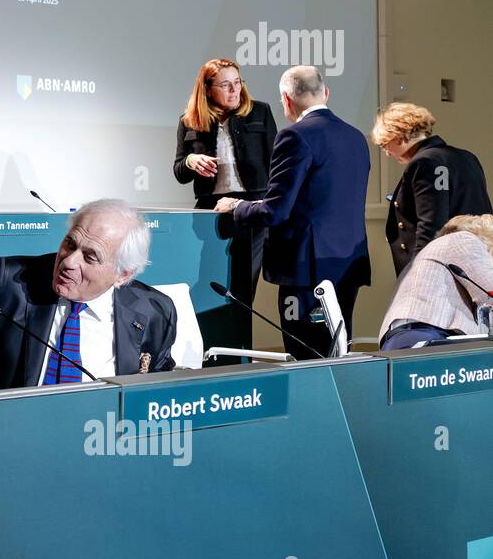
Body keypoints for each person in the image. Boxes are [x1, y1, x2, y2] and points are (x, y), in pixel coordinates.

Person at [0, 199, 176, 393]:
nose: (69, 261)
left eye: (90, 257)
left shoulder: (155, 311)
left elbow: (155, 384)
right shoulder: (11, 281)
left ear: (122, 274)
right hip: (8, 431)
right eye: (70, 243)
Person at [216, 66, 371, 359]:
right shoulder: (356, 137)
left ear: (286, 100)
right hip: (347, 264)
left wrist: (237, 206)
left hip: (306, 270)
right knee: (337, 351)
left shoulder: (294, 137)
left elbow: (275, 210)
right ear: (326, 93)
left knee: (306, 357)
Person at [173, 57, 277, 303]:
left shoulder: (260, 111)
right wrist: (190, 161)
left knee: (243, 287)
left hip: (251, 209)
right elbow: (179, 171)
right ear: (207, 89)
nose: (234, 90)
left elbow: (275, 163)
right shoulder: (189, 120)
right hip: (212, 212)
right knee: (210, 284)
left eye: (237, 82)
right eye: (225, 85)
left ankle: (240, 340)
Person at [371, 102, 491, 275]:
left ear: (397, 135)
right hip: (476, 260)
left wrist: (420, 272)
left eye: (384, 144)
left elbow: (432, 224)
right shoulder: (467, 157)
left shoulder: (425, 162)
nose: (387, 153)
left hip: (443, 267)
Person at [378, 215, 493, 350]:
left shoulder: (434, 252)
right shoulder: (463, 239)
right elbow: (489, 291)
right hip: (427, 334)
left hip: (411, 337)